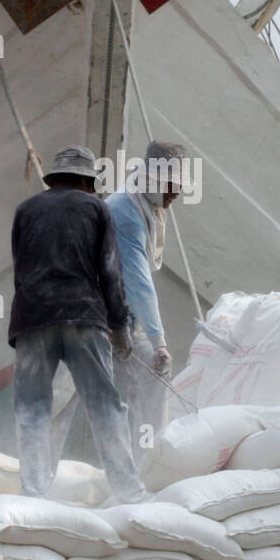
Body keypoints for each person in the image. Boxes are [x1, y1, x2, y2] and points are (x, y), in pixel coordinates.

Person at [8, 145, 145, 502]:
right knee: (104, 405)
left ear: (56, 178)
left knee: (32, 407)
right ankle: (129, 492)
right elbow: (111, 273)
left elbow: (20, 271)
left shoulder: (25, 210)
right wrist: (120, 326)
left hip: (32, 319)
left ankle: (33, 492)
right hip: (85, 316)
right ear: (87, 181)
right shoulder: (96, 209)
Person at [105, 141, 187, 464]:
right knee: (83, 397)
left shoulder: (144, 205)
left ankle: (146, 464)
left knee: (150, 382)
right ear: (155, 178)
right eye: (173, 184)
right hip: (98, 322)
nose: (177, 193)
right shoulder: (126, 211)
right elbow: (140, 284)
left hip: (121, 321)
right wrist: (159, 343)